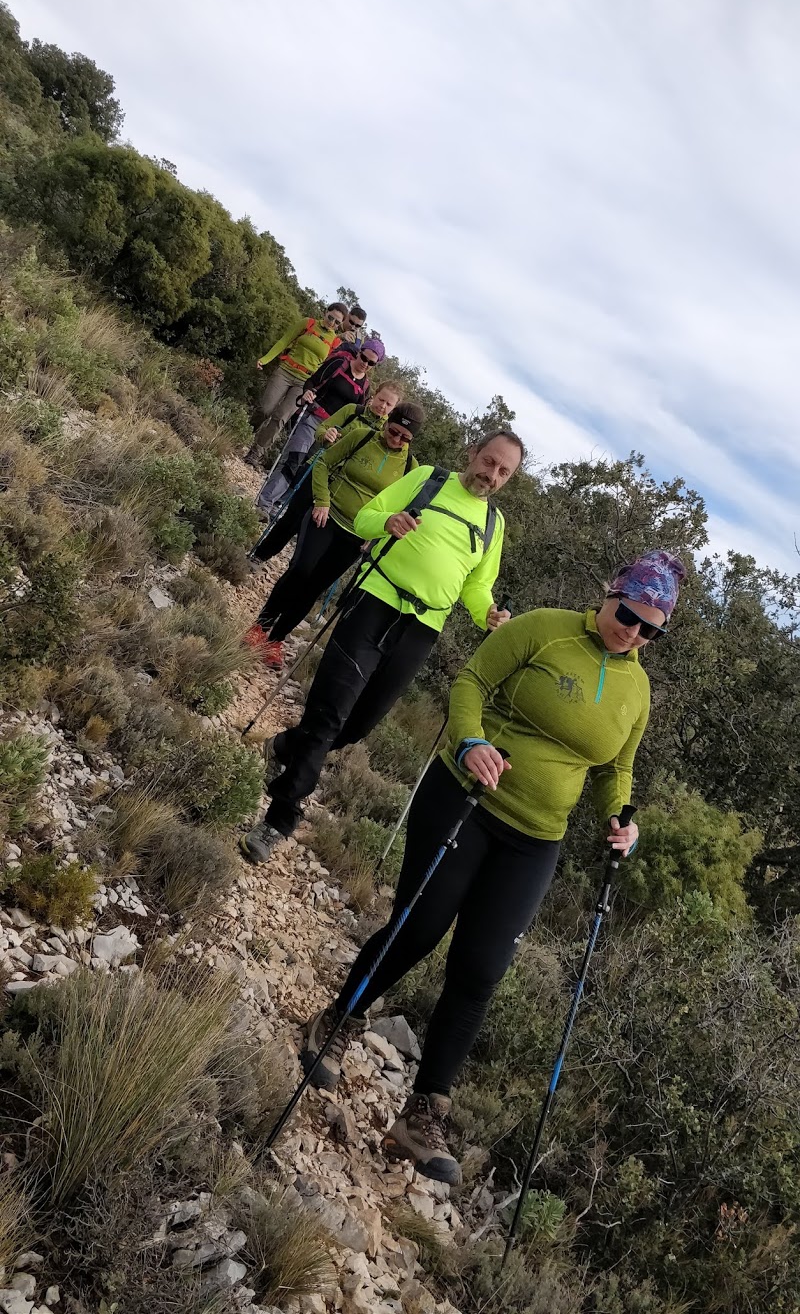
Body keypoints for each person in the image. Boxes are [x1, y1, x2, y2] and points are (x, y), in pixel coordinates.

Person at [298, 549, 685, 1185]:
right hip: (466, 797)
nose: (634, 633)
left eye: (651, 630)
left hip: (537, 838)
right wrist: (471, 742)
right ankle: (338, 1020)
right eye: (628, 616)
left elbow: (616, 769)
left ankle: (422, 1115)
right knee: (420, 927)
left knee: (481, 970)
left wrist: (622, 818)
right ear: (610, 594)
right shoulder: (543, 628)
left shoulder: (636, 689)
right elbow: (470, 683)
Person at [241, 430, 523, 863]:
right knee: (329, 712)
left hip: (422, 628)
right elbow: (365, 518)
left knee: (358, 725)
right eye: (489, 461)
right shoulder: (428, 480)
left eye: (504, 471)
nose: (492, 474)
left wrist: (486, 612)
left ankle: (285, 746)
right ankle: (281, 816)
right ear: (473, 453)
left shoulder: (493, 524)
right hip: (374, 600)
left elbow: (477, 584)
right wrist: (388, 522)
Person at [241, 403, 423, 677]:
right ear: (387, 423)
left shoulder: (411, 468)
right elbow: (324, 463)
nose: (396, 440)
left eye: (404, 438)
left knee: (314, 587)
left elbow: (401, 510)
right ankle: (260, 625)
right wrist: (322, 501)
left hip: (358, 535)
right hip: (326, 516)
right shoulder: (361, 436)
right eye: (393, 431)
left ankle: (276, 640)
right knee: (301, 569)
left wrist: (376, 536)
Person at [249, 380, 404, 568]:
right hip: (317, 470)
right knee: (292, 518)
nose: (383, 406)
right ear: (374, 395)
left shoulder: (386, 434)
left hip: (340, 487)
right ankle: (259, 556)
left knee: (314, 533)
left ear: (394, 409)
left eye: (389, 404)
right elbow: (321, 429)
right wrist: (326, 434)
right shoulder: (352, 411)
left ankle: (293, 572)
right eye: (381, 399)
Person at [255, 339, 386, 515]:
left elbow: (356, 414)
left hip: (332, 433)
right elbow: (312, 381)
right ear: (359, 352)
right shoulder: (339, 363)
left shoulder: (365, 387)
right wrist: (307, 392)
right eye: (364, 358)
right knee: (293, 459)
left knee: (307, 469)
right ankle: (265, 503)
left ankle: (277, 505)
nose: (365, 364)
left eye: (371, 363)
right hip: (313, 418)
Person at [244, 303, 347, 467]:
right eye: (330, 317)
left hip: (304, 382)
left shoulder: (335, 342)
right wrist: (265, 359)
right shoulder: (308, 323)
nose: (332, 323)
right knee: (265, 409)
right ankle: (245, 430)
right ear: (325, 312)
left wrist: (315, 389)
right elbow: (284, 341)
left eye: (337, 322)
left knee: (280, 418)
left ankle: (256, 453)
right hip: (285, 371)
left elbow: (327, 369)